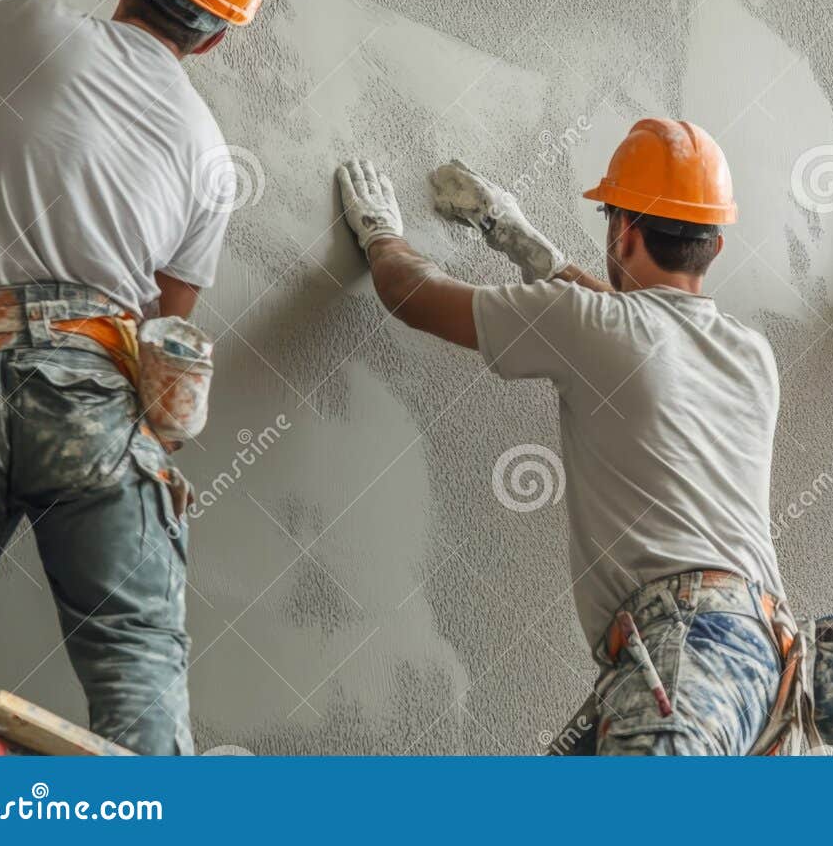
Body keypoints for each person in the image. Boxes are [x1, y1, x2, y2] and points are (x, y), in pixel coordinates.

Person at [0, 0, 271, 754]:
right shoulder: (211, 156)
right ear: (211, 42)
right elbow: (167, 334)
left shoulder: (40, 26)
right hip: (93, 399)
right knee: (136, 666)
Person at [335, 118, 795, 754]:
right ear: (714, 247)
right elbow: (641, 330)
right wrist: (524, 245)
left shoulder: (593, 326)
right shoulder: (753, 356)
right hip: (765, 670)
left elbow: (413, 293)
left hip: (685, 653)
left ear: (623, 229)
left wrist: (381, 233)